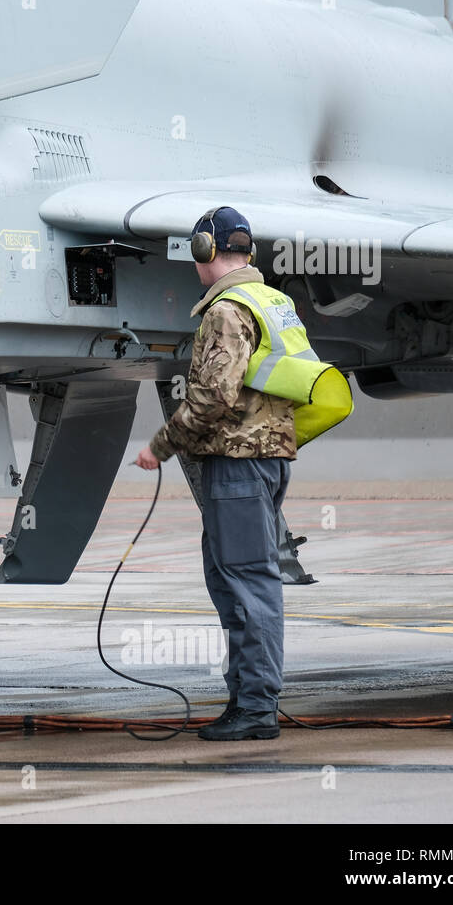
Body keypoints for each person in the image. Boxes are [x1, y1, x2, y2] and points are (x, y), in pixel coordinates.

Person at [135, 206, 297, 741]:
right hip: (267, 460)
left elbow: (213, 397)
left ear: (206, 250)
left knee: (248, 584)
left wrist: (160, 446)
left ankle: (256, 709)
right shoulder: (274, 301)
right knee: (237, 579)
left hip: (239, 467)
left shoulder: (227, 311)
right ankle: (248, 701)